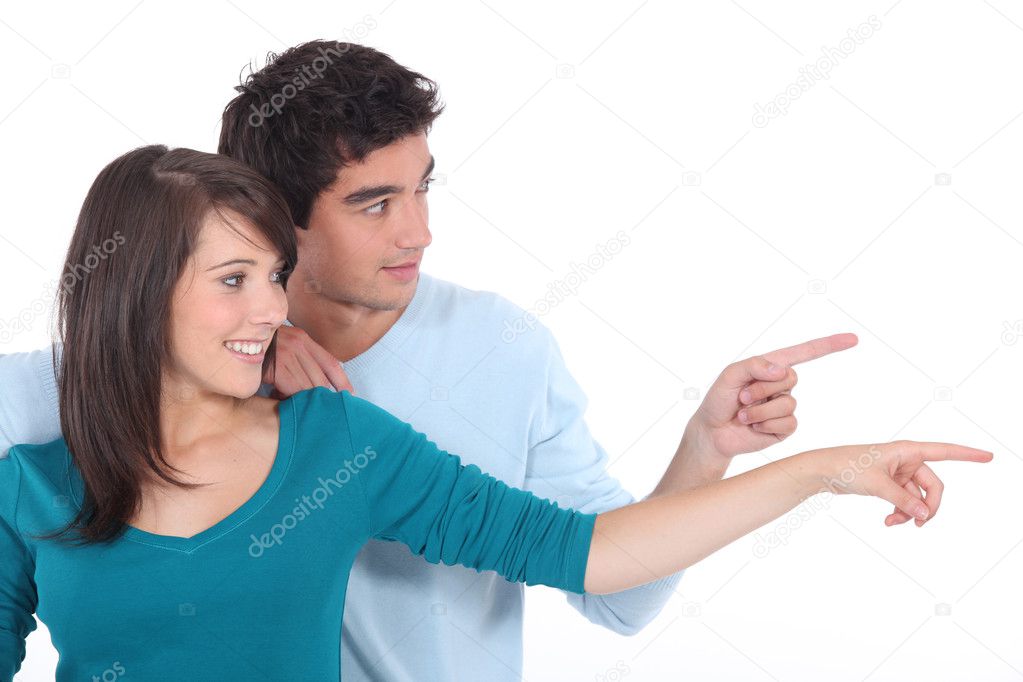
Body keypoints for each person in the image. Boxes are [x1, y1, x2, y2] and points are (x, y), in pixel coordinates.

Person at [0, 145, 993, 681]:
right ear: (131, 290)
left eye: (273, 273)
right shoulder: (30, 484)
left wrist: (820, 470)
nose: (268, 308)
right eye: (232, 279)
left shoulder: (339, 444)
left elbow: (596, 555)